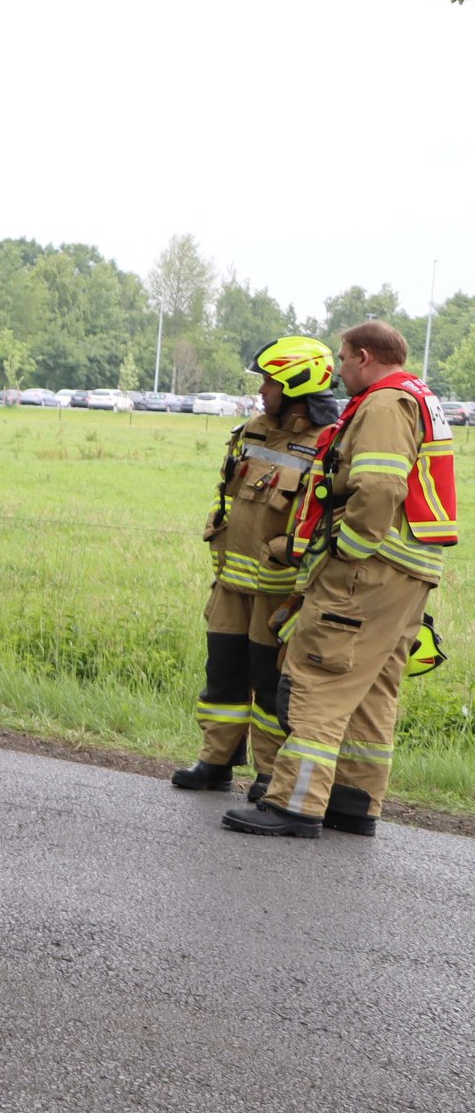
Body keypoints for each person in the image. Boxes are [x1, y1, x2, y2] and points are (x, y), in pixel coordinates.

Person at [223, 321, 457, 838]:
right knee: (372, 692)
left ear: (365, 357)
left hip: (366, 572)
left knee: (319, 679)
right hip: (406, 575)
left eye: (344, 358)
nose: (339, 369)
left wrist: (348, 549)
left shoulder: (384, 404)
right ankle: (353, 802)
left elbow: (377, 487)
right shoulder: (418, 398)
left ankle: (294, 804)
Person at [171, 337, 341, 795]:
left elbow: (330, 518)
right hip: (232, 583)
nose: (262, 390)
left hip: (280, 592)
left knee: (270, 685)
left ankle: (270, 774)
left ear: (297, 385)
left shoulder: (328, 443)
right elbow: (228, 495)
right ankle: (216, 761)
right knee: (223, 674)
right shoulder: (252, 430)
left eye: (270, 382)